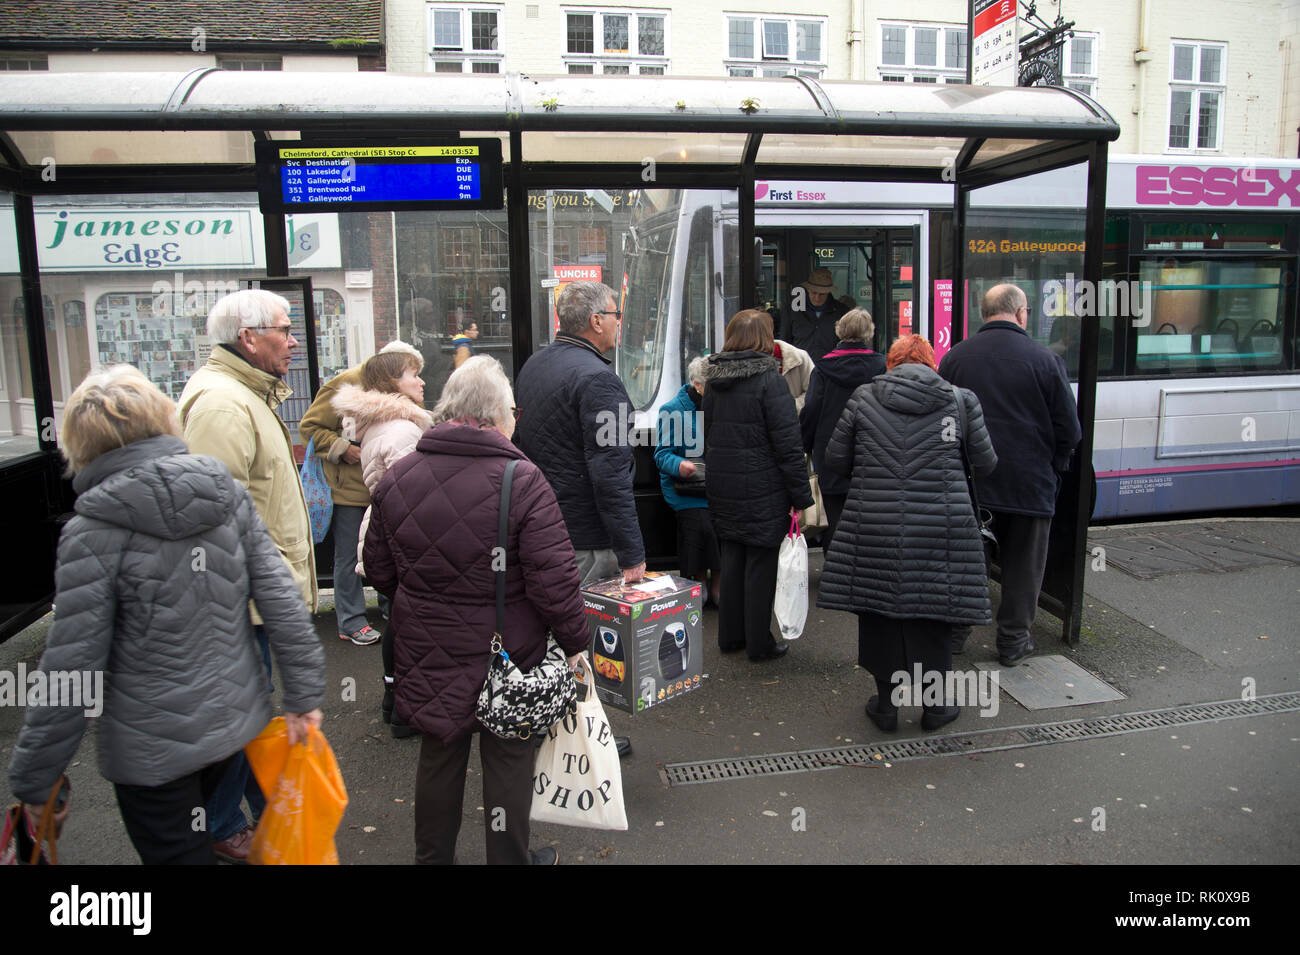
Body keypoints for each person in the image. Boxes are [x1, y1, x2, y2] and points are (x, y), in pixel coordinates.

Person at [7, 367, 324, 865]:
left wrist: (35, 777)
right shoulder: (225, 494)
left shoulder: (91, 533)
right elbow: (280, 596)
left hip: (151, 753)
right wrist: (304, 698)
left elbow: (71, 666)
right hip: (234, 722)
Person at [362, 356, 589, 866]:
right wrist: (577, 643)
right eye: (513, 407)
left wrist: (424, 599)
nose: (517, 415)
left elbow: (378, 571)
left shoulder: (399, 477)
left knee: (439, 754)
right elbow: (555, 582)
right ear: (495, 413)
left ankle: (433, 858)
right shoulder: (523, 480)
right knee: (508, 756)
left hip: (427, 648)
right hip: (507, 650)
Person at [177, 288, 317, 863]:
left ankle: (257, 816)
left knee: (252, 711)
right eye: (284, 330)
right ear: (248, 338)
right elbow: (208, 521)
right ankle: (221, 827)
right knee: (241, 714)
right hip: (239, 602)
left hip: (255, 595)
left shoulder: (242, 394)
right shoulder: (222, 406)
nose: (293, 341)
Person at [818, 335, 997, 733]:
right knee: (934, 611)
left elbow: (835, 459)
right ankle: (935, 708)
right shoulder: (959, 400)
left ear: (891, 364)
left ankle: (885, 706)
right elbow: (984, 463)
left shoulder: (864, 398)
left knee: (880, 612)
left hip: (874, 524)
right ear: (932, 363)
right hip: (942, 527)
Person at [514, 280, 642, 757]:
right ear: (595, 321)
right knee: (581, 638)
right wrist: (632, 554)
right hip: (585, 534)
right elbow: (611, 475)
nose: (617, 323)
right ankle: (583, 736)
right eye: (615, 315)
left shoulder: (535, 365)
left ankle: (551, 721)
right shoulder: (598, 379)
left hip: (540, 523)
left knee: (548, 630)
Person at [939, 283, 1083, 666]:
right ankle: (1013, 641)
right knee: (1023, 566)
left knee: (967, 562)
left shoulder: (955, 358)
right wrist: (1053, 468)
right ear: (1022, 313)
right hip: (1029, 482)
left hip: (970, 483)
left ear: (983, 313)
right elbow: (1070, 430)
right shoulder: (1045, 360)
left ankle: (955, 635)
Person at [331, 345, 433, 738]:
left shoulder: (383, 425)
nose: (421, 380)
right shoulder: (403, 430)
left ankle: (396, 702)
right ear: (393, 383)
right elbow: (416, 495)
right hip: (406, 538)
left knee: (400, 620)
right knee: (411, 623)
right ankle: (407, 710)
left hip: (385, 532)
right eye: (413, 374)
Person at [703, 309, 814, 661]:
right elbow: (788, 444)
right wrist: (800, 496)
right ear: (765, 340)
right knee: (761, 566)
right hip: (764, 488)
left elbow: (708, 434)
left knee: (732, 557)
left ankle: (730, 636)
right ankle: (759, 644)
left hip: (723, 486)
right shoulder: (771, 381)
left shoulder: (714, 381)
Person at [799, 309, 887, 548]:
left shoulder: (824, 368)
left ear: (839, 330)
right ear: (868, 333)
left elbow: (812, 409)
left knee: (834, 515)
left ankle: (836, 566)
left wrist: (806, 444)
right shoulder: (881, 365)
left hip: (829, 451)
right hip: (872, 451)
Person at [653, 356, 720, 606]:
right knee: (702, 524)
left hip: (714, 486)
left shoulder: (719, 406)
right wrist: (680, 465)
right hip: (686, 489)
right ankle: (701, 582)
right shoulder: (673, 410)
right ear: (697, 385)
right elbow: (662, 455)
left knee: (725, 520)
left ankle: (719, 584)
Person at [778, 267, 850, 361]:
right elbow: (784, 343)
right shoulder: (792, 311)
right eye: (814, 292)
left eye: (822, 294)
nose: (817, 297)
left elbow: (846, 344)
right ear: (808, 290)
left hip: (832, 369)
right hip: (800, 368)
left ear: (828, 292)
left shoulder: (842, 312)